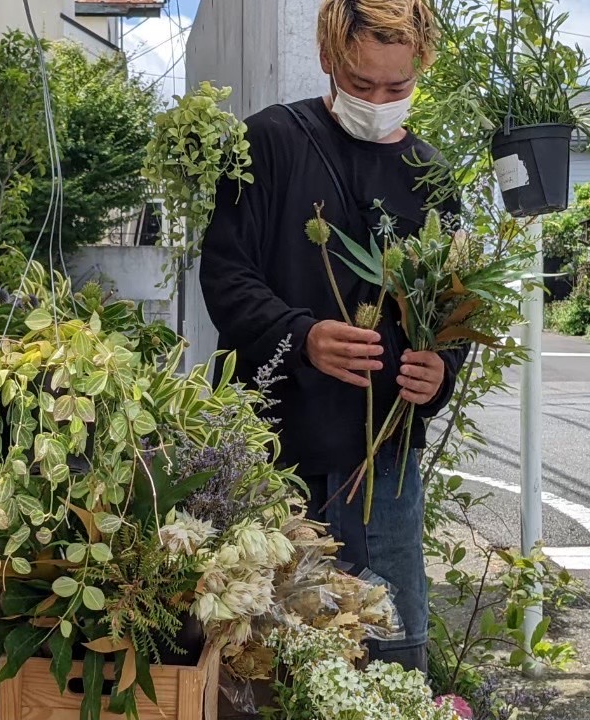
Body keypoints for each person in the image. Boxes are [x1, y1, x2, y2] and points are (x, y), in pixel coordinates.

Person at [198, 0, 465, 673]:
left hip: (386, 464)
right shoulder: (269, 142)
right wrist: (302, 334)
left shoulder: (429, 174)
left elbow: (459, 310)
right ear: (328, 59)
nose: (379, 101)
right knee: (268, 654)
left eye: (397, 87)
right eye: (361, 83)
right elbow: (226, 276)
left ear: (421, 66)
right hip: (273, 455)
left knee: (393, 655)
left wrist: (440, 373)